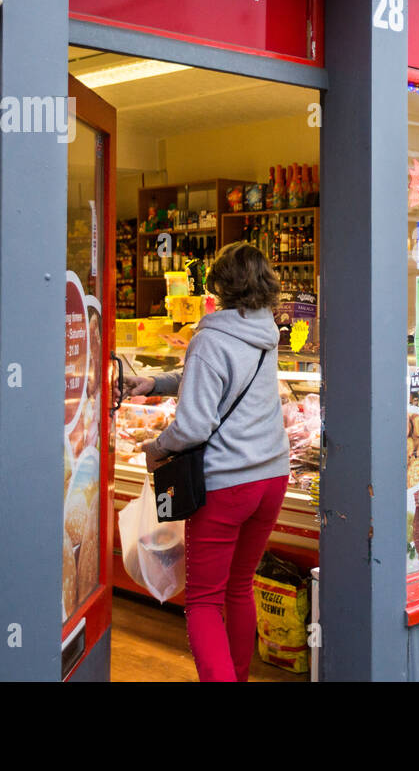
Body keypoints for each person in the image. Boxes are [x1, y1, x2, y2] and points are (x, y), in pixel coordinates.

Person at [126, 241, 289, 682]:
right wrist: (157, 381)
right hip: (272, 478)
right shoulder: (263, 331)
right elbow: (221, 378)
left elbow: (194, 428)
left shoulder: (210, 338)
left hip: (226, 485)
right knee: (238, 588)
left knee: (202, 601)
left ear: (220, 285)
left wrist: (157, 447)